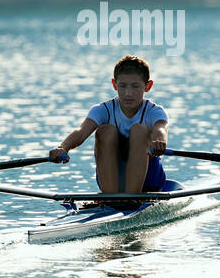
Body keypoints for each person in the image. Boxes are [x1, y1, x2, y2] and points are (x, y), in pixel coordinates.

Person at [49, 55, 167, 193]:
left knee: (139, 130)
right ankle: (111, 198)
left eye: (135, 86)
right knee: (104, 131)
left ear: (148, 86)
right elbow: (81, 132)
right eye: (122, 86)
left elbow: (161, 129)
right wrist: (63, 147)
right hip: (111, 183)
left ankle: (133, 197)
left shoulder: (154, 111)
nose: (128, 93)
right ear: (114, 84)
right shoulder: (102, 110)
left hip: (149, 181)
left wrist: (159, 141)